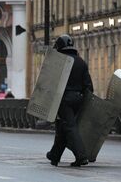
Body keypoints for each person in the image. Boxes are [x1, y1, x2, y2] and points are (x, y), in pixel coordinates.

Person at [46, 35, 93, 167]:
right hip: (78, 99)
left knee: (70, 127)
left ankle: (81, 156)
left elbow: (49, 83)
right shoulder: (81, 62)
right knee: (63, 126)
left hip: (63, 99)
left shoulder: (58, 61)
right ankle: (54, 155)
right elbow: (89, 86)